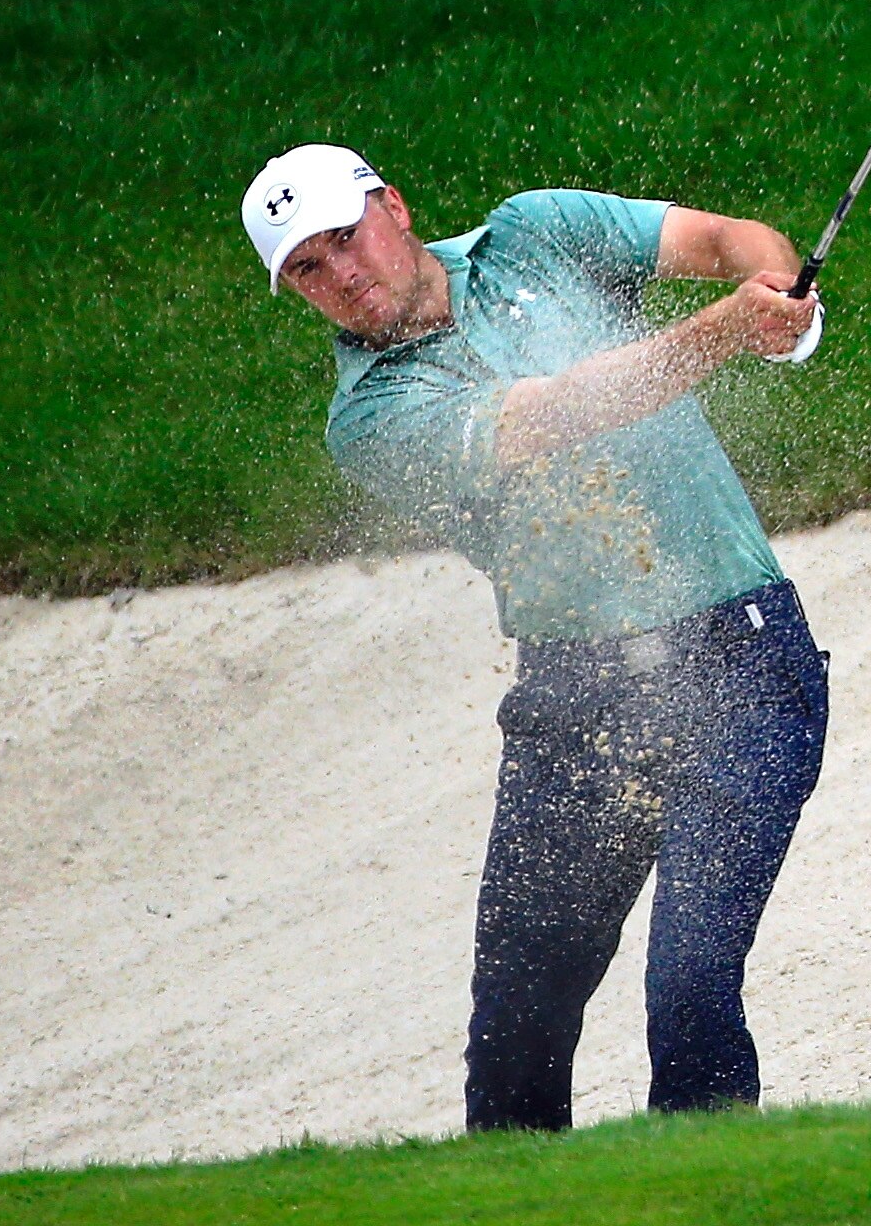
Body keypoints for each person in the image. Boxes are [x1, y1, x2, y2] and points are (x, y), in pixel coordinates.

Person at [240, 141, 828, 1133]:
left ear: (394, 206)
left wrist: (777, 296)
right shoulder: (372, 417)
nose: (339, 276)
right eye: (306, 268)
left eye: (344, 238)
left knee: (687, 989)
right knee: (516, 1038)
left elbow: (724, 239)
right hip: (578, 706)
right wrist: (727, 331)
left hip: (743, 662)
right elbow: (557, 416)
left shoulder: (535, 232)